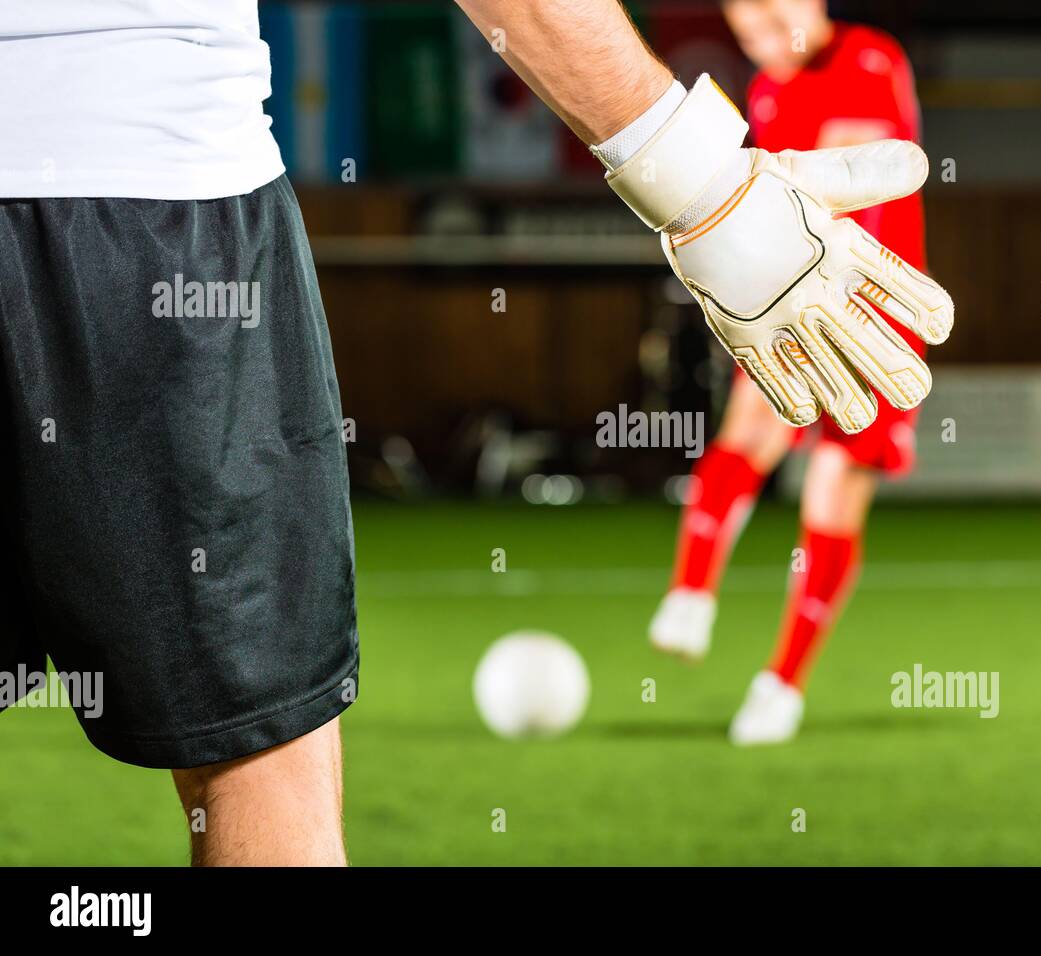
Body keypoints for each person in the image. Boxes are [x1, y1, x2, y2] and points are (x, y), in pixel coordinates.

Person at [0, 0, 948, 864]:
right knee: (257, 770)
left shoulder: (862, 60)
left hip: (128, 179)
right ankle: (707, 606)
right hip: (147, 189)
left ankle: (755, 653)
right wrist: (703, 187)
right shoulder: (784, 79)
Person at [649, 0, 934, 746]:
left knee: (833, 494)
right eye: (749, 36)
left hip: (870, 309)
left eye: (777, 24)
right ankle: (691, 589)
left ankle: (782, 684)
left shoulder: (869, 59)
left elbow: (849, 168)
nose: (767, 46)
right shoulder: (768, 92)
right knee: (747, 432)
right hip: (786, 305)